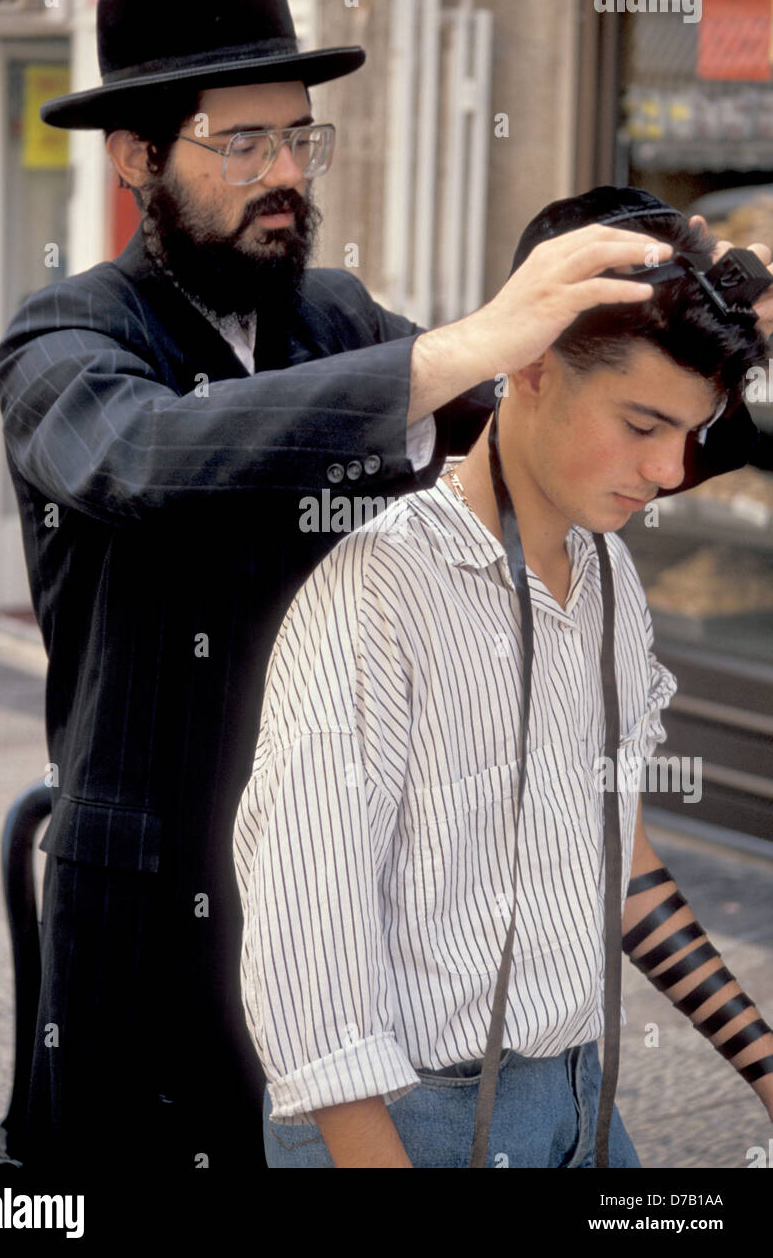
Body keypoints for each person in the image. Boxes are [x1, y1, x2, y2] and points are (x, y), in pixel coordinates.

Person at [233, 186, 773, 1169]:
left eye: (688, 434)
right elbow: (306, 968)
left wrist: (765, 1062)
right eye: (643, 422)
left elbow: (622, 866)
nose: (667, 470)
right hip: (402, 1122)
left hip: (580, 1098)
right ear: (529, 365)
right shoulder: (381, 589)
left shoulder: (607, 571)